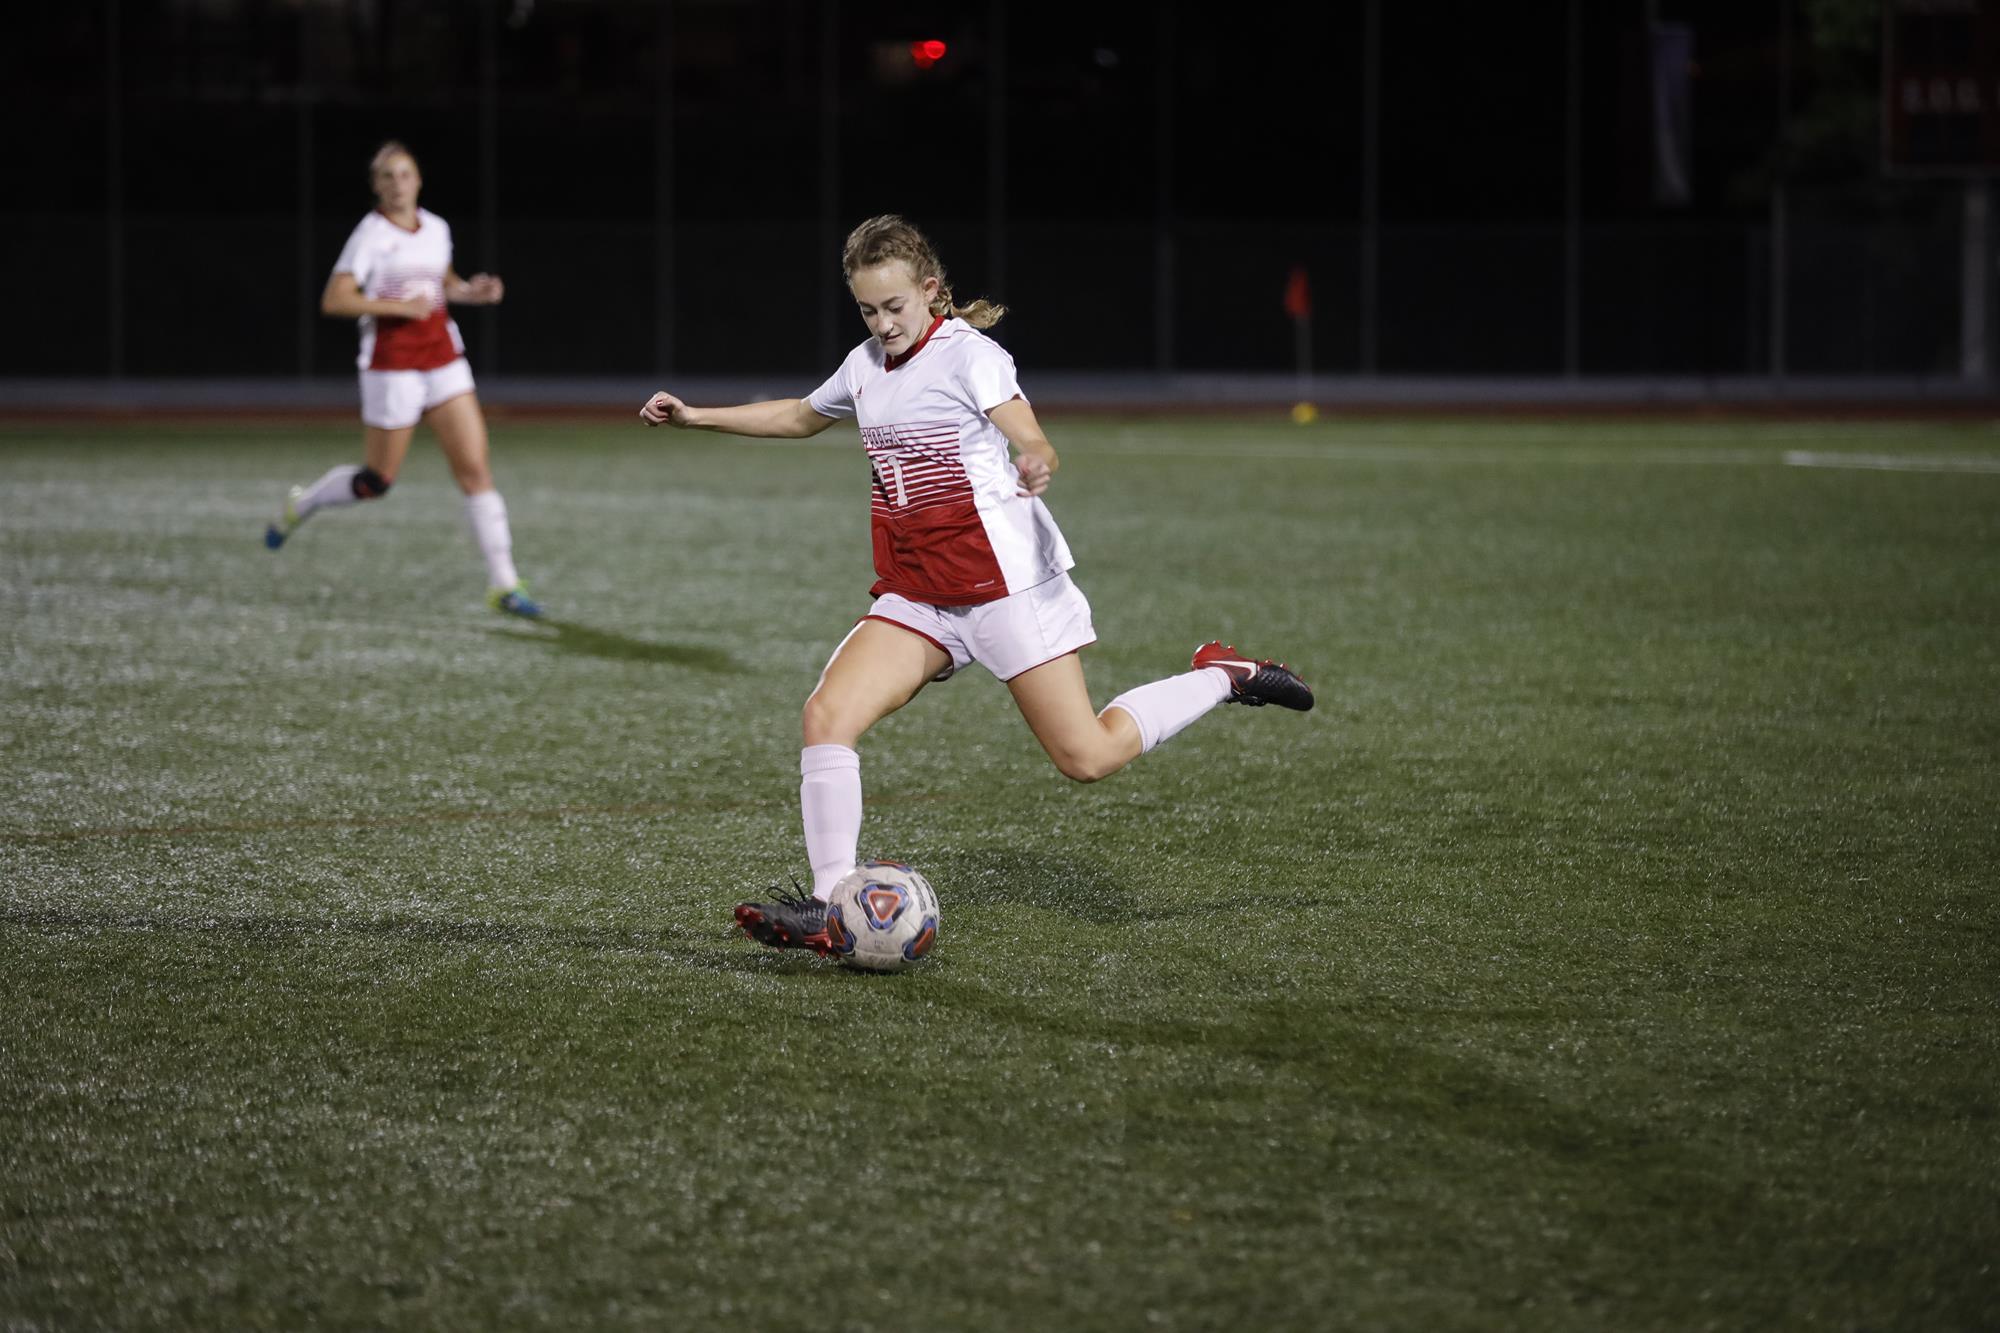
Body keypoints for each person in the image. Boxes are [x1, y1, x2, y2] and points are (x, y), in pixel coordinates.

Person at [639, 214, 1312, 954]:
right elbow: (802, 415)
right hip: (917, 593)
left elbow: (1022, 422)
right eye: (868, 309)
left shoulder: (970, 356)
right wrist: (694, 416)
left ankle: (1219, 676)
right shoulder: (865, 365)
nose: (883, 323)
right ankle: (833, 906)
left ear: (930, 290)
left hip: (1005, 590)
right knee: (826, 715)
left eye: (895, 306)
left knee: (1085, 756)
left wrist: (1036, 454)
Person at [265, 140, 540, 618]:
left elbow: (442, 283)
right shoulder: (370, 235)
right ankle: (304, 504)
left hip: (443, 358)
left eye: (405, 174)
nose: (398, 184)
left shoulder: (436, 228)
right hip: (392, 364)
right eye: (387, 177)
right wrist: (396, 307)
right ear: (376, 186)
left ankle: (504, 585)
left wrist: (471, 292)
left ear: (418, 180)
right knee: (377, 481)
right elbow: (336, 299)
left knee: (475, 471)